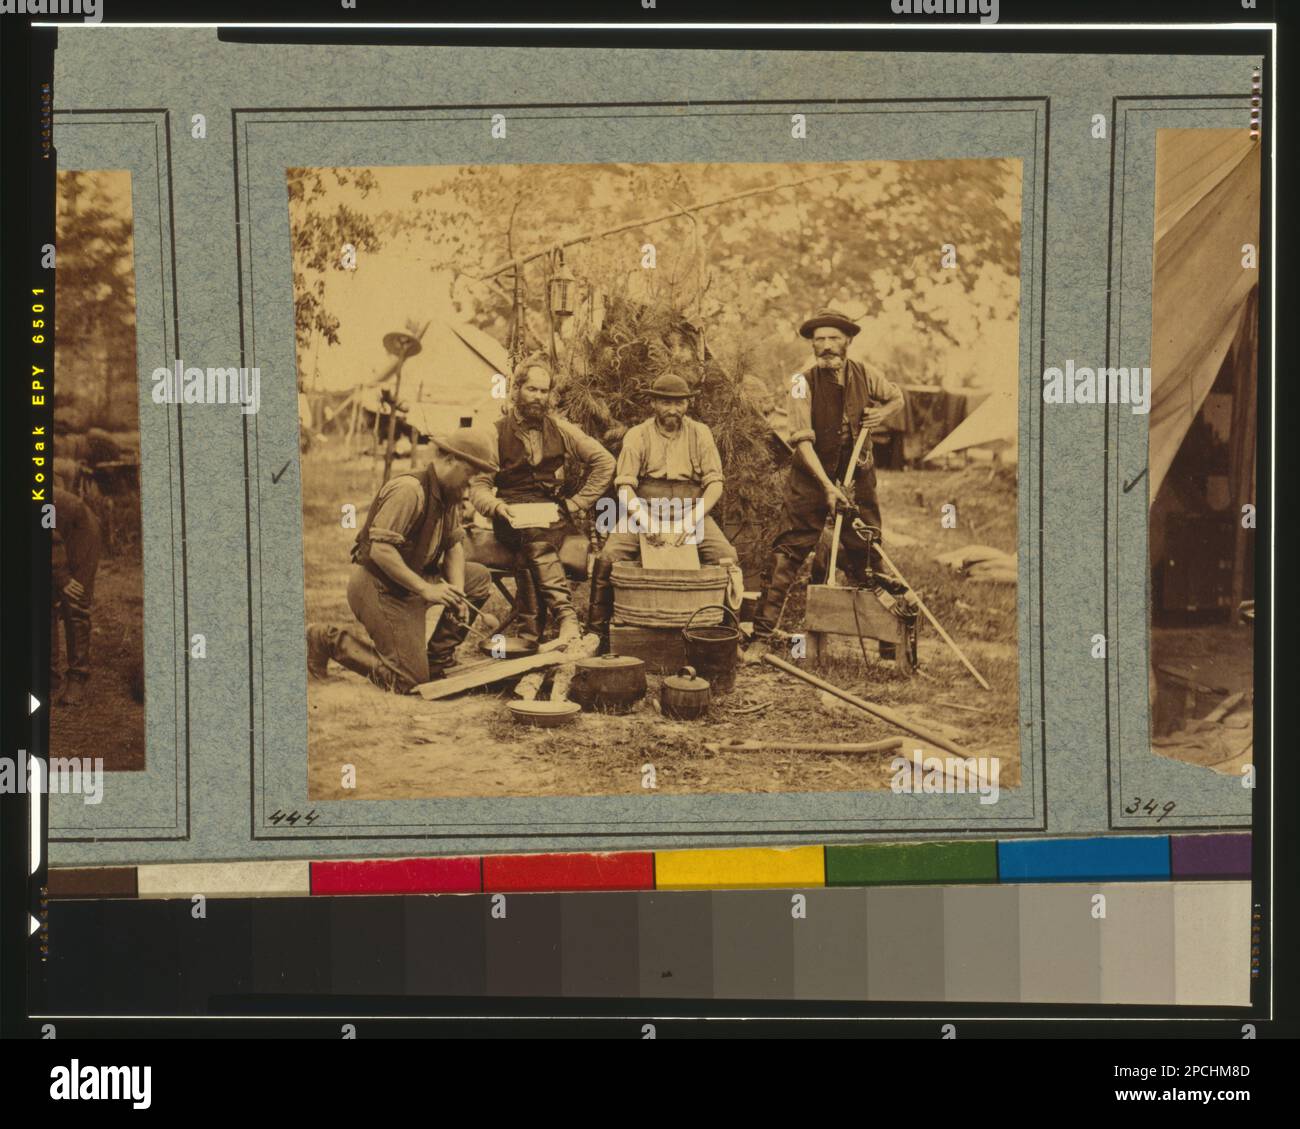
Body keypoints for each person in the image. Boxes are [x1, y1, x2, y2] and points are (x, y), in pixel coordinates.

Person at [747, 308, 904, 658]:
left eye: (834, 338)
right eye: (820, 340)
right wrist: (827, 487)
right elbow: (802, 442)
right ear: (812, 345)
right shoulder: (802, 382)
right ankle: (760, 636)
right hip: (810, 476)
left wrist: (882, 414)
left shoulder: (866, 374)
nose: (827, 346)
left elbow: (897, 398)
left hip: (857, 476)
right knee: (788, 553)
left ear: (848, 341)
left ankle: (888, 641)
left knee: (868, 550)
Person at [307, 429, 498, 693]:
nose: (472, 482)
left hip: (412, 582)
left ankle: (436, 660)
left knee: (477, 577)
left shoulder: (449, 493)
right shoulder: (410, 490)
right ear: (451, 460)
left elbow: (454, 545)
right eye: (470, 472)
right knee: (408, 681)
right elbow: (380, 551)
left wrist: (458, 594)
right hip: (380, 588)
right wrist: (426, 589)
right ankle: (327, 639)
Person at [468, 356, 613, 647]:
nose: (538, 397)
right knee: (532, 537)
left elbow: (604, 462)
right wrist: (497, 507)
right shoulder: (494, 432)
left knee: (530, 551)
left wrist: (577, 503)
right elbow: (479, 488)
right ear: (517, 389)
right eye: (532, 389)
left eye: (544, 391)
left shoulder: (561, 429)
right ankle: (567, 616)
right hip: (511, 516)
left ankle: (529, 636)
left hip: (552, 515)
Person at [587, 372, 738, 648]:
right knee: (609, 555)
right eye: (666, 403)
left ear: (687, 404)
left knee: (726, 556)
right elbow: (624, 487)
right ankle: (596, 633)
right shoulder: (638, 435)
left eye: (679, 403)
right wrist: (645, 522)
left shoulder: (700, 433)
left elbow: (715, 484)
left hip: (690, 507)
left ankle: (728, 636)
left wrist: (690, 521)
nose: (673, 410)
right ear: (653, 403)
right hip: (644, 506)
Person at [51, 486, 101, 706]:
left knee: (75, 601)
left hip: (80, 530)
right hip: (57, 534)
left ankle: (77, 676)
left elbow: (48, 537)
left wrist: (62, 577)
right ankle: (49, 675)